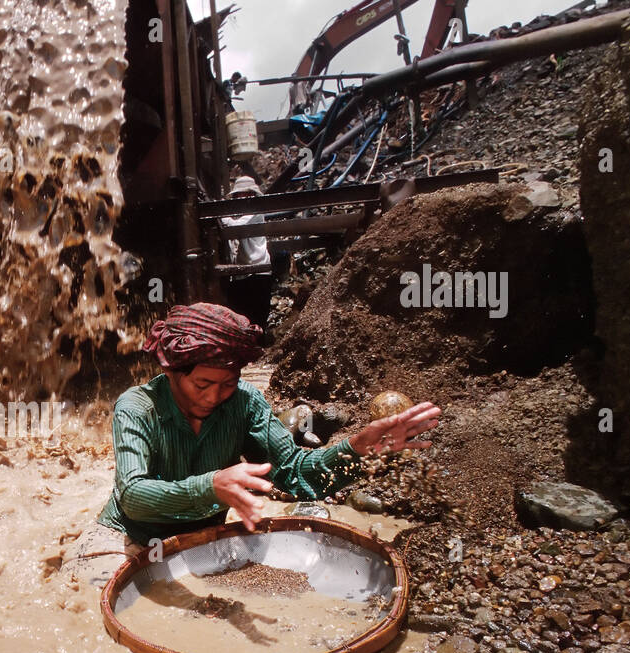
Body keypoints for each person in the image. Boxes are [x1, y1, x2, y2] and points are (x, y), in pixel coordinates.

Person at [66, 302, 442, 590]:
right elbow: (132, 494)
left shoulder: (244, 403)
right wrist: (209, 486)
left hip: (200, 539)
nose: (215, 396)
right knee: (93, 601)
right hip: (127, 534)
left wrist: (356, 450)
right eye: (202, 384)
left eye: (227, 383)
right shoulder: (137, 407)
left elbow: (296, 475)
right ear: (170, 371)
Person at [219, 175, 273, 331]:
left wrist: (220, 213)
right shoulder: (239, 213)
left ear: (251, 194)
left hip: (258, 271)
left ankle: (260, 350)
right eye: (237, 195)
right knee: (241, 316)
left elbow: (236, 228)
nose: (239, 197)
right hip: (241, 273)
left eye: (241, 194)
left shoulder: (254, 211)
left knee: (258, 317)